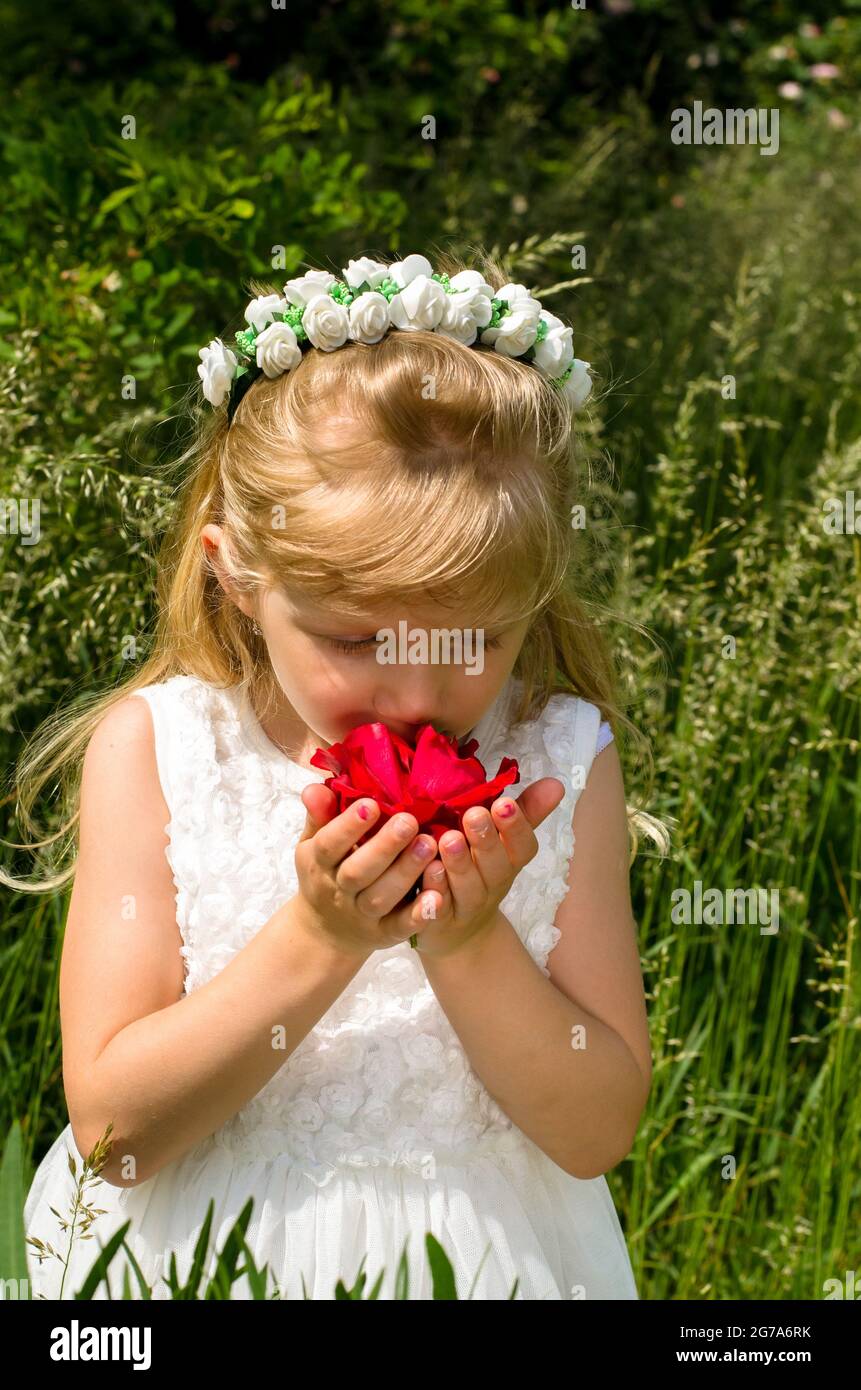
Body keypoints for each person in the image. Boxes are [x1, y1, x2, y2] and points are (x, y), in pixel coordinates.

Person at [12, 247, 668, 1300]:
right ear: (235, 576)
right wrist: (321, 934)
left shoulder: (561, 758)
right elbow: (117, 1134)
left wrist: (465, 937)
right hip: (204, 1261)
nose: (416, 696)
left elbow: (594, 1131)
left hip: (482, 1261)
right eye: (358, 640)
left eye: (475, 644)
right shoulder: (159, 751)